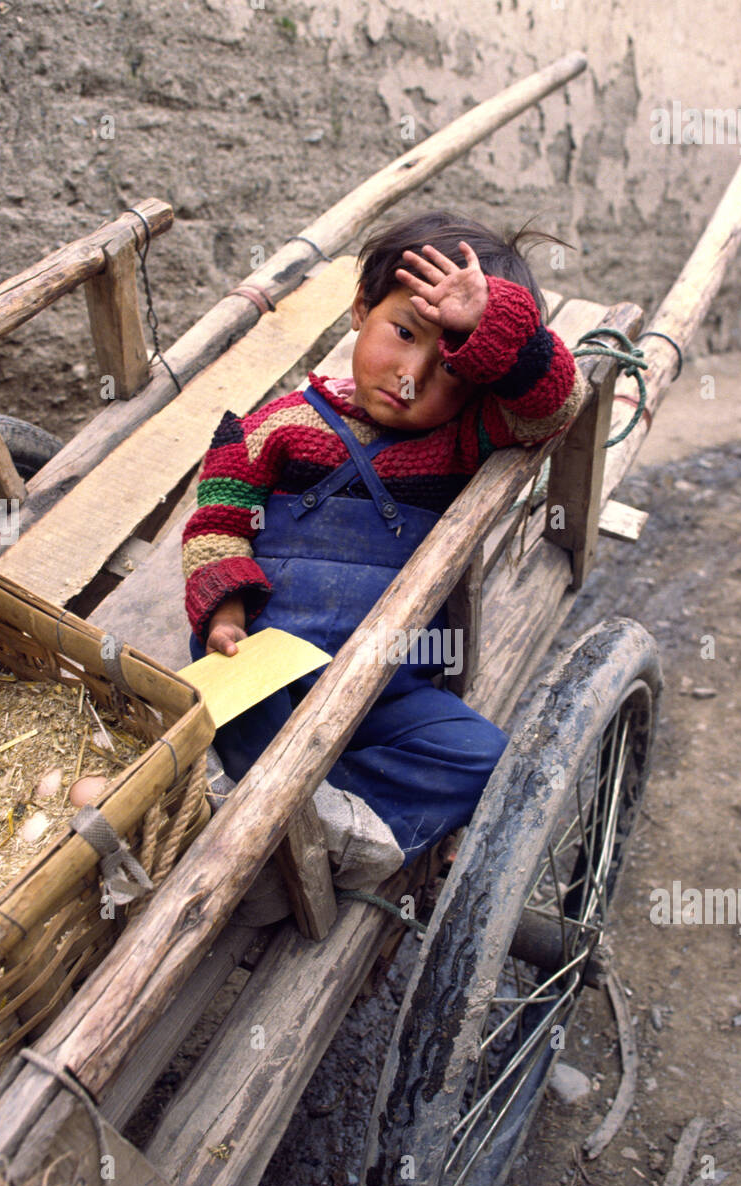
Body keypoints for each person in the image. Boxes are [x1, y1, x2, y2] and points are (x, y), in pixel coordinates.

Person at [182, 210, 584, 920]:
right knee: (240, 708)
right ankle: (265, 809)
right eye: (403, 333)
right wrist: (224, 608)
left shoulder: (465, 441)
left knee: (486, 758)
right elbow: (216, 518)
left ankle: (339, 830)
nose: (411, 376)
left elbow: (552, 403)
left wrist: (497, 320)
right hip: (266, 664)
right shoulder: (277, 426)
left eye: (450, 364)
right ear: (361, 307)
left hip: (385, 691)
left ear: (480, 370)